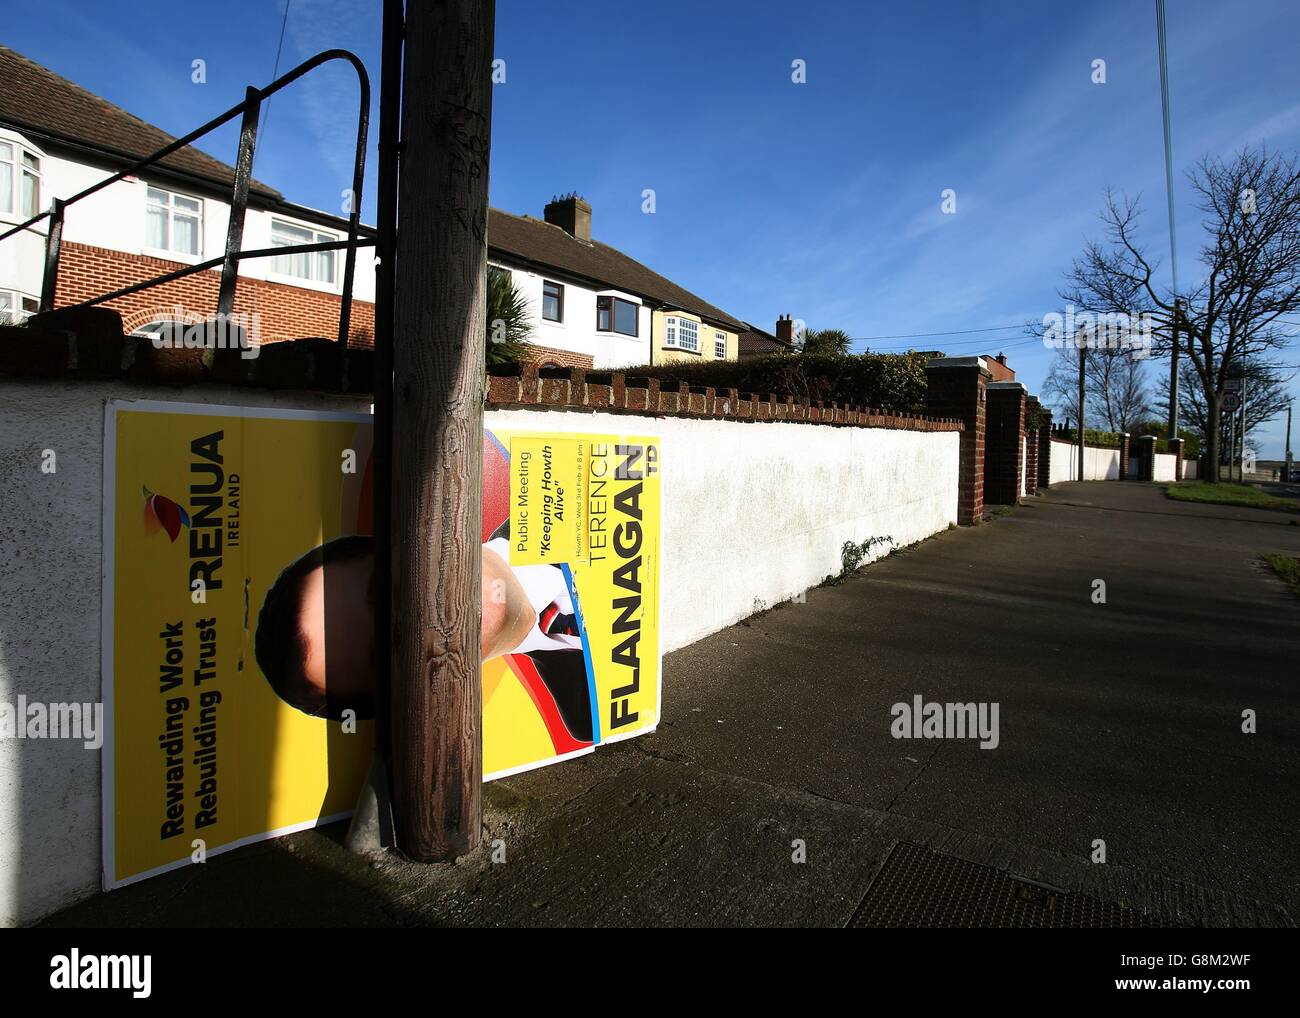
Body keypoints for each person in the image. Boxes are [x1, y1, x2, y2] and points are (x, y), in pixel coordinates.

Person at [253, 521, 593, 741]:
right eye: (387, 650)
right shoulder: (586, 715)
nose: (423, 619)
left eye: (385, 591)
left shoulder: (560, 486)